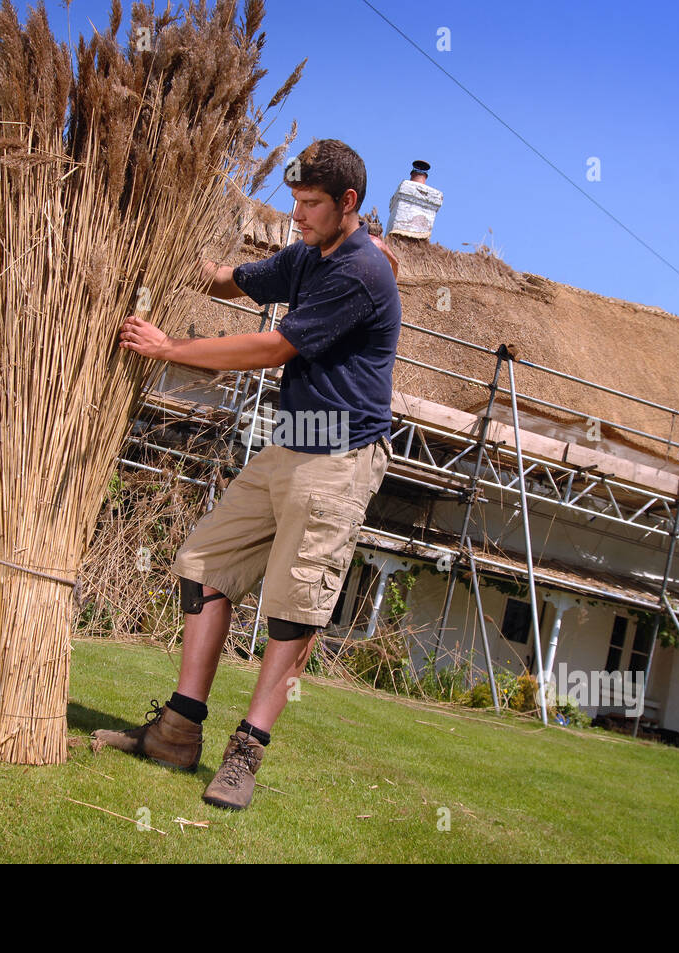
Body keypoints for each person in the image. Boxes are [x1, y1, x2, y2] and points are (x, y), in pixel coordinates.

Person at [95, 139, 401, 811]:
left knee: (293, 609)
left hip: (339, 459)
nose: (297, 214)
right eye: (294, 201)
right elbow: (228, 279)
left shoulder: (359, 271)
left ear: (348, 204)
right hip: (289, 443)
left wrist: (171, 347)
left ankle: (246, 753)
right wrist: (165, 248)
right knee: (204, 561)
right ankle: (178, 728)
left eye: (311, 204)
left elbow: (273, 347)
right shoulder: (308, 256)